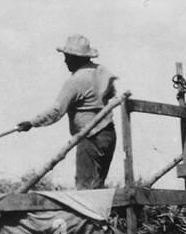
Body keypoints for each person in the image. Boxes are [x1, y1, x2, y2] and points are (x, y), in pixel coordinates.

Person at [16, 35, 120, 188]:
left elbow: (56, 111)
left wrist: (31, 123)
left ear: (76, 58)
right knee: (97, 185)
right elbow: (111, 94)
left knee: (85, 187)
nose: (65, 61)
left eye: (67, 57)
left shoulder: (75, 81)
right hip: (108, 134)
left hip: (90, 136)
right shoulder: (101, 71)